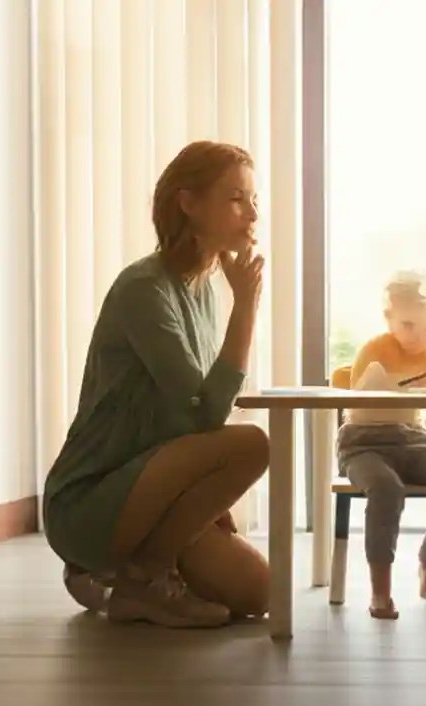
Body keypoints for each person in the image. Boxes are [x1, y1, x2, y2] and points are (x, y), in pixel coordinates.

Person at [43, 141, 271, 628]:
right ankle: (139, 576)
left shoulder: (204, 289)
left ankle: (117, 572)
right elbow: (207, 416)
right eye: (236, 198)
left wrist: (207, 500)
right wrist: (247, 307)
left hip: (155, 488)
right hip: (91, 496)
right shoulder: (145, 289)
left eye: (253, 199)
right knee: (252, 444)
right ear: (188, 204)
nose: (252, 213)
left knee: (258, 593)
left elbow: (193, 416)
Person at [339, 272, 426, 619]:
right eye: (409, 324)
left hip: (414, 442)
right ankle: (380, 592)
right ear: (388, 319)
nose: (420, 336)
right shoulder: (374, 349)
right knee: (386, 488)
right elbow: (360, 396)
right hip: (363, 445)